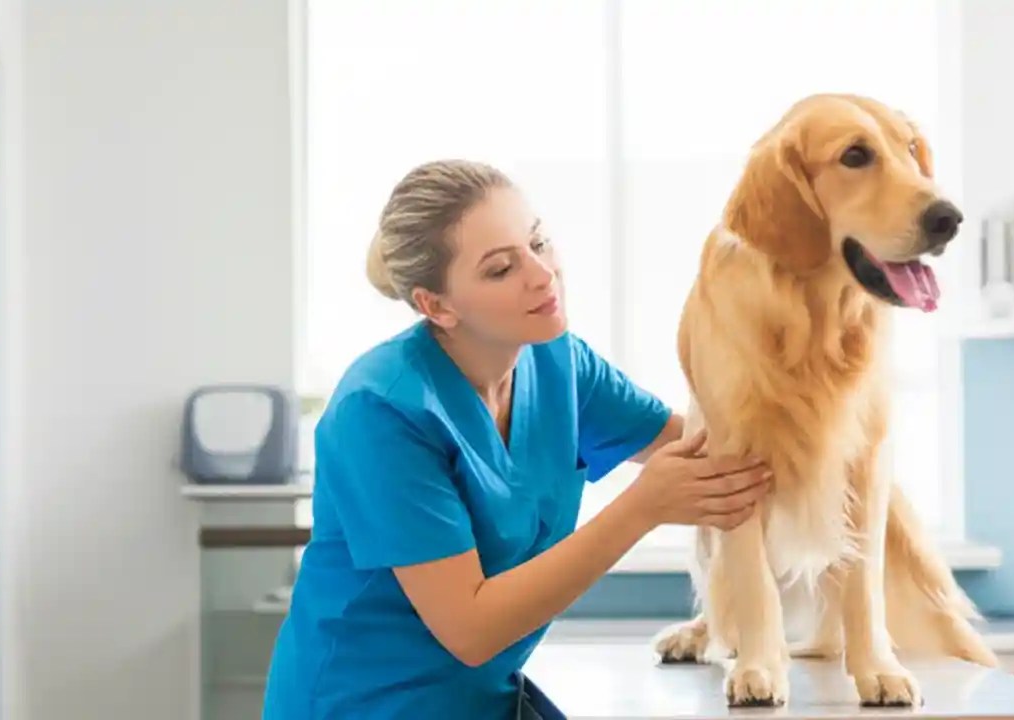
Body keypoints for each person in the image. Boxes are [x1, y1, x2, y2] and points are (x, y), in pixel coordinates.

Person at [262, 159, 773, 719]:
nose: (542, 274)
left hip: (483, 702)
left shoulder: (560, 365)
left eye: (539, 242)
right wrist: (642, 508)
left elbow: (719, 459)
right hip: (360, 705)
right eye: (502, 269)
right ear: (437, 305)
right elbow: (471, 628)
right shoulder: (382, 410)